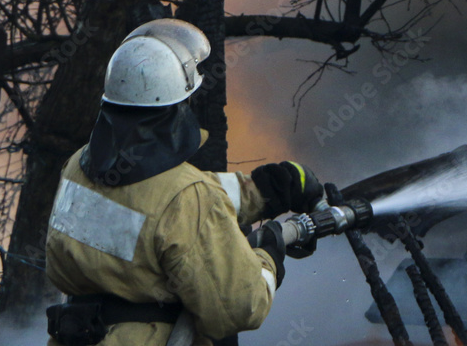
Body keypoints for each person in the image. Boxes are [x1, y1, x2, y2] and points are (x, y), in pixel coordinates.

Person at [45, 19, 323, 346]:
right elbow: (238, 307)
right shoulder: (187, 198)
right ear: (178, 106)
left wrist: (261, 192)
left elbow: (156, 201)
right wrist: (267, 257)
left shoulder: (78, 168)